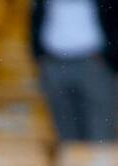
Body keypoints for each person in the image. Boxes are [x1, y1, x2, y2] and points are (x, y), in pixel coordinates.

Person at [32, 0, 118, 141]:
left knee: (101, 132)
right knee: (65, 132)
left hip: (94, 62)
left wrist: (110, 55)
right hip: (54, 62)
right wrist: (41, 56)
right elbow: (36, 16)